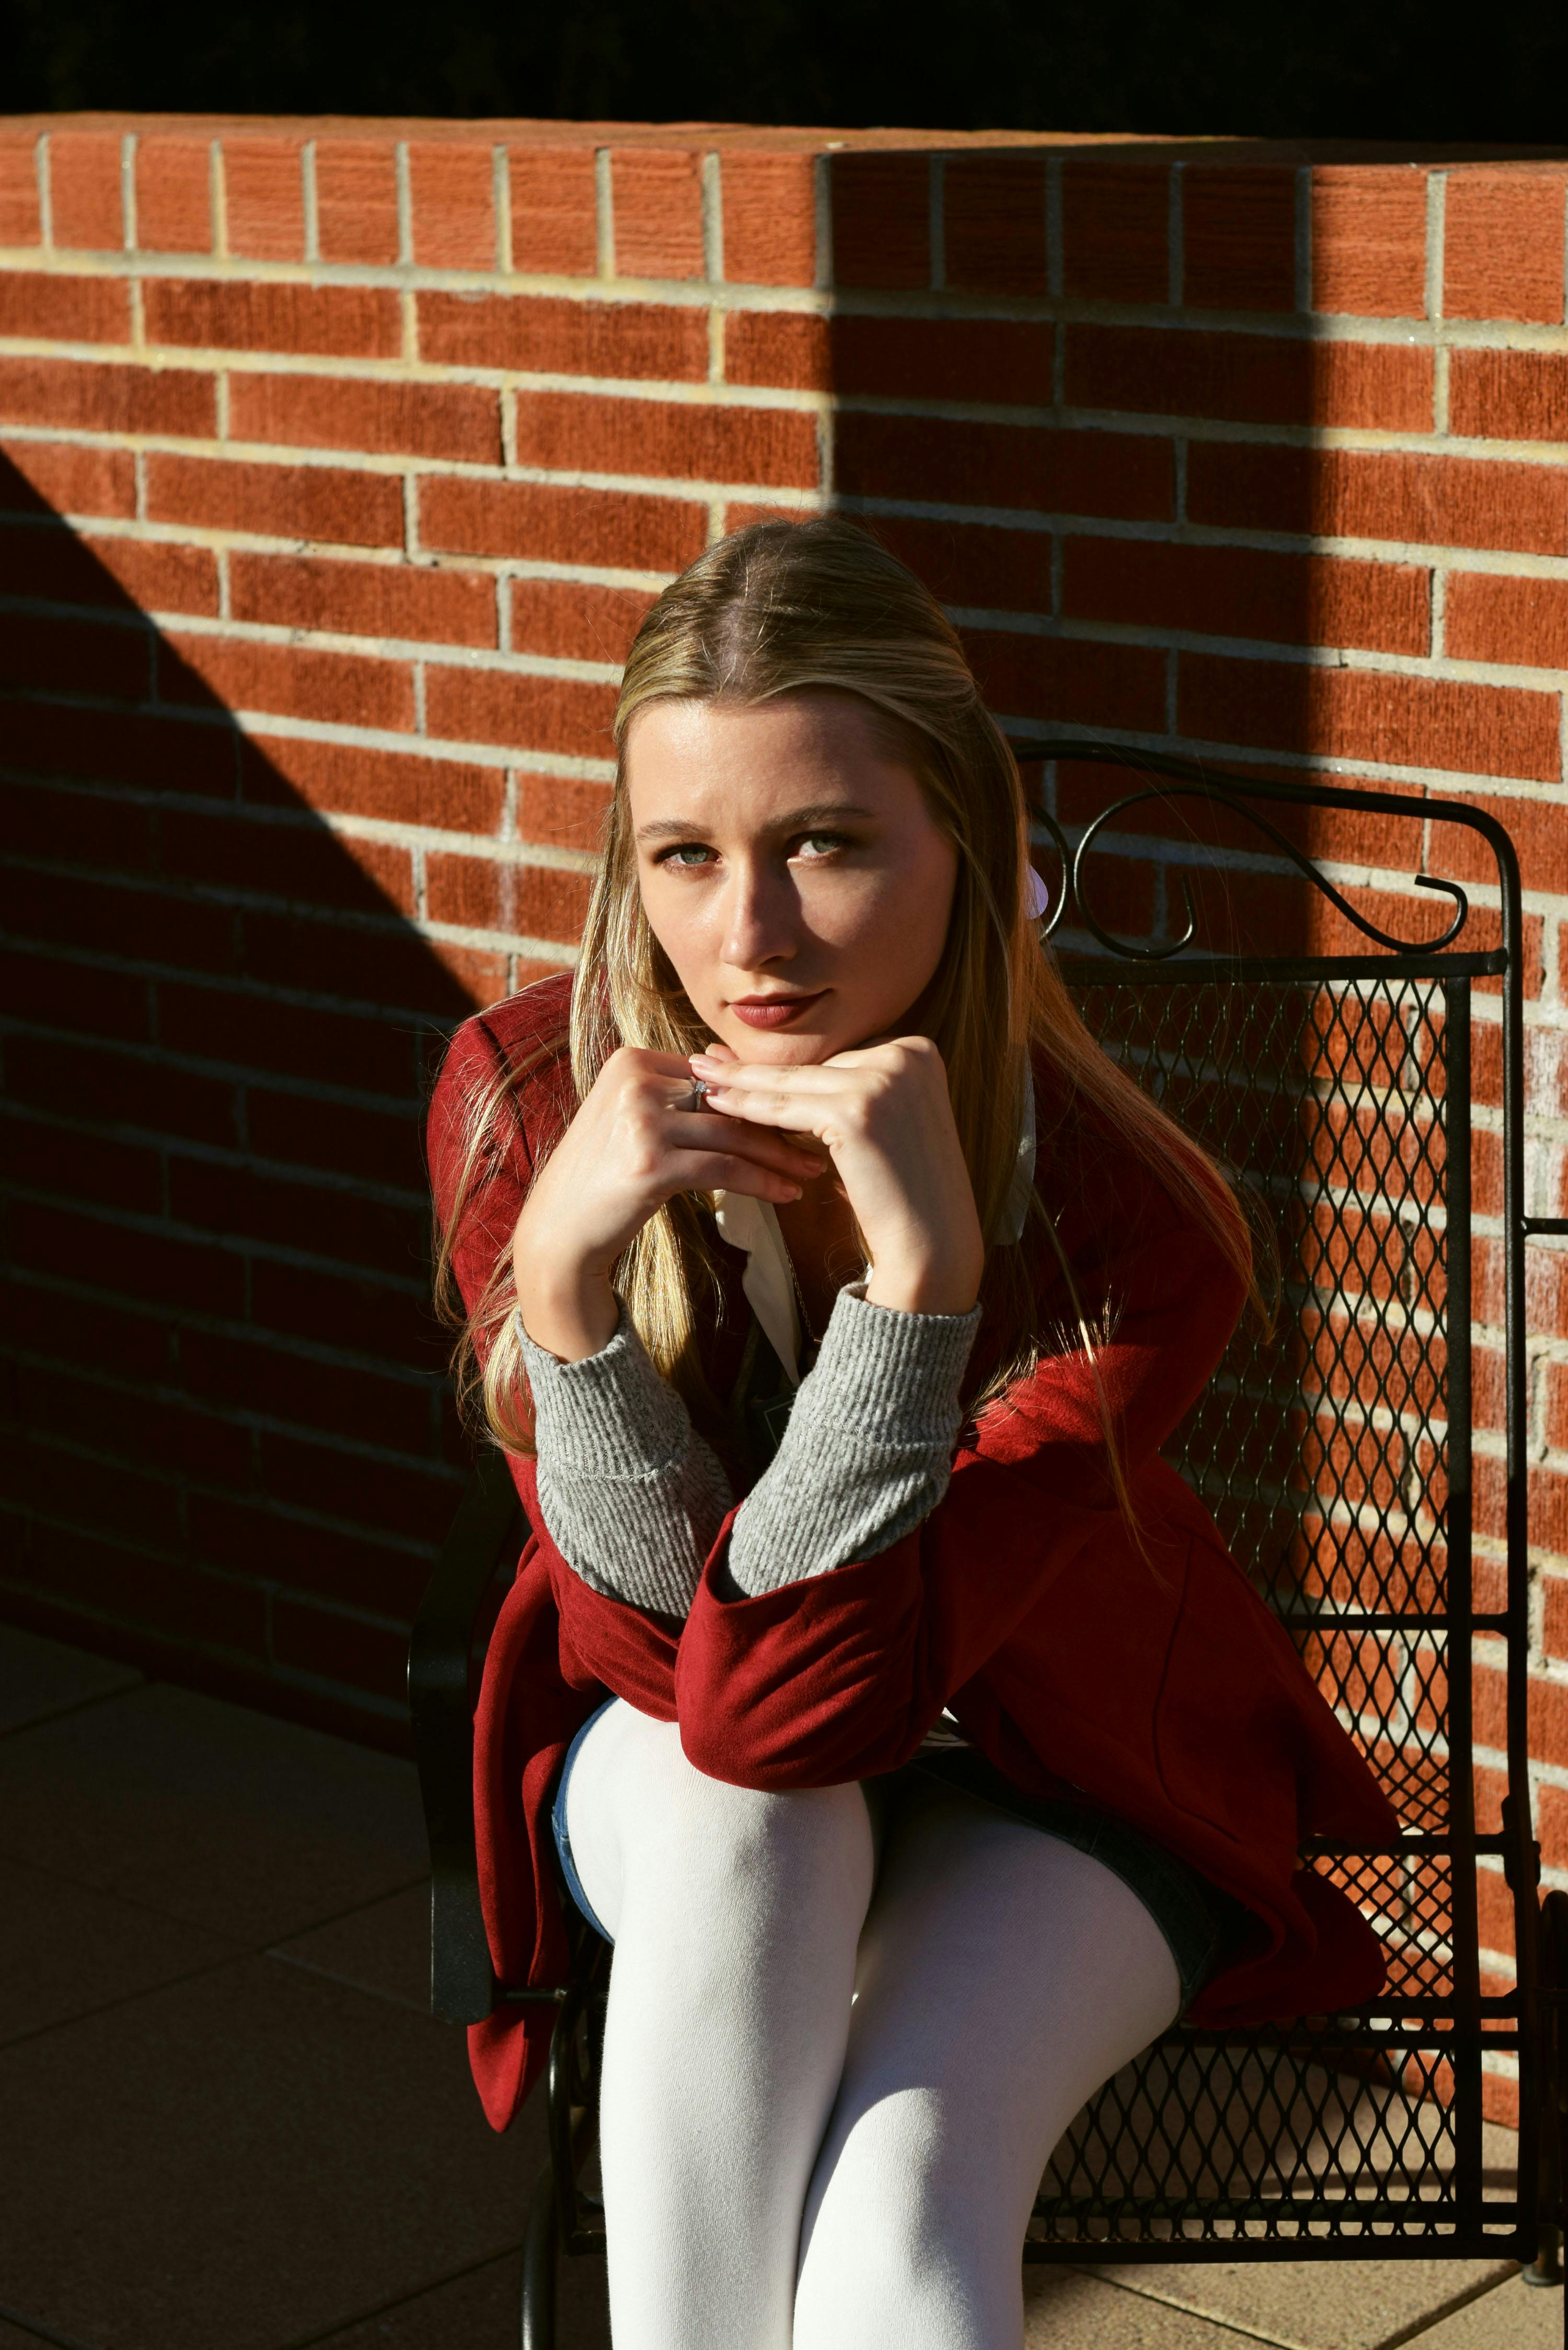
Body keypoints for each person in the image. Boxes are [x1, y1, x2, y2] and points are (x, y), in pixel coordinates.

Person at [427, 517, 1397, 2350]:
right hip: (697, 1791)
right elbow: (691, 1698)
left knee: (895, 2222)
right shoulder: (528, 1109)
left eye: (829, 845)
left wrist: (919, 1290)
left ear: (973, 845)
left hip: (1068, 1782)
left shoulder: (1131, 1225)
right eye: (687, 858)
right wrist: (564, 1300)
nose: (751, 937)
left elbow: (815, 1707)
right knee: (750, 1828)